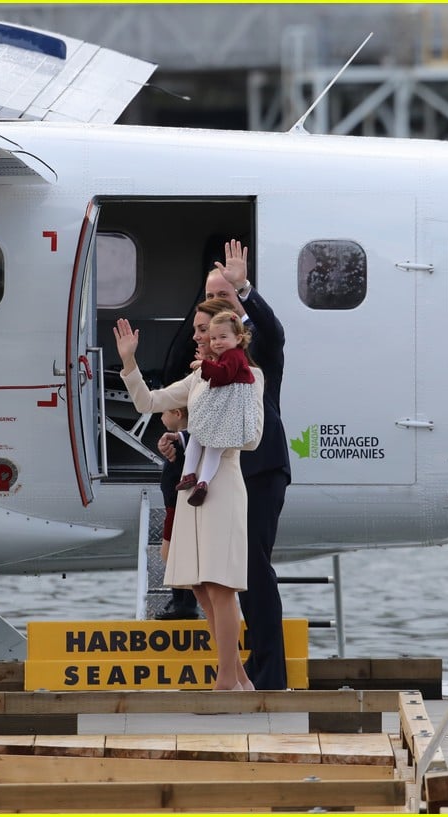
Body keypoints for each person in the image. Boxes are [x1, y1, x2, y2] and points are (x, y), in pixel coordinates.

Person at [113, 304, 264, 690]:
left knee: (220, 585)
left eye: (205, 331)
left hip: (222, 484)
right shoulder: (196, 378)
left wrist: (204, 433)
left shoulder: (251, 376)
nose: (199, 338)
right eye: (200, 331)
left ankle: (226, 681)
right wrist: (129, 362)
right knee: (199, 585)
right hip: (192, 489)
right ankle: (240, 679)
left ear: (229, 337)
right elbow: (148, 403)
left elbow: (252, 439)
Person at [205, 240, 291, 691]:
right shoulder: (208, 348)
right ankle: (239, 673)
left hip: (259, 468)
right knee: (226, 575)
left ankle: (268, 676)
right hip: (223, 472)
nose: (217, 303)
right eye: (210, 296)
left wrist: (244, 288)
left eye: (224, 295)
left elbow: (274, 332)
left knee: (254, 570)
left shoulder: (259, 344)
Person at [179, 311, 258, 507]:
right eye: (213, 338)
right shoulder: (228, 356)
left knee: (205, 443)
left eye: (223, 337)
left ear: (238, 338)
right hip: (222, 413)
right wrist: (209, 363)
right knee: (203, 442)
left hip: (225, 413)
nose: (217, 342)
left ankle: (197, 479)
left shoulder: (234, 355)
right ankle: (196, 479)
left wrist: (204, 364)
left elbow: (223, 375)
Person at [155, 407, 200, 621]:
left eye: (164, 413)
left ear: (177, 414)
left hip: (177, 505)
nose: (161, 418)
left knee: (171, 554)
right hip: (173, 505)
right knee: (173, 554)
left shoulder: (182, 443)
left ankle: (186, 604)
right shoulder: (181, 442)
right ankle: (182, 601)